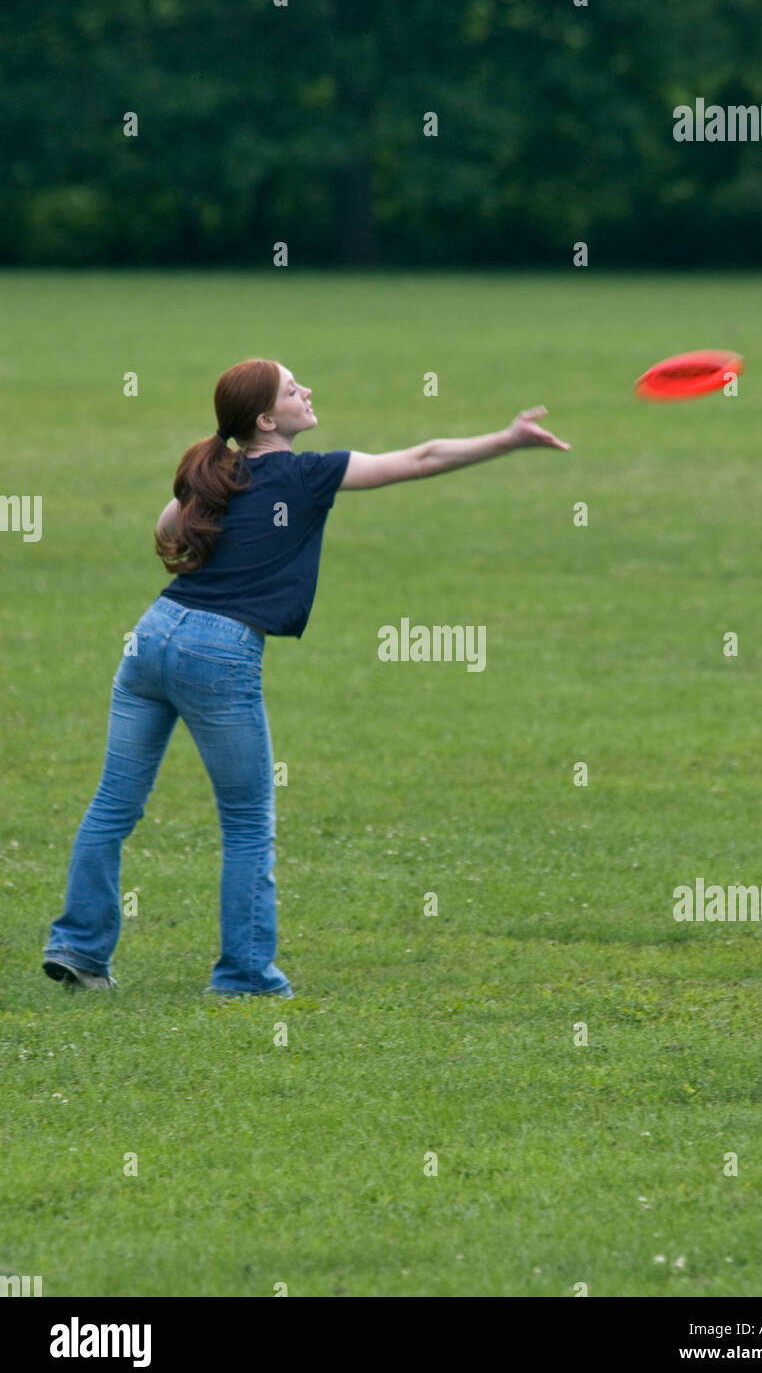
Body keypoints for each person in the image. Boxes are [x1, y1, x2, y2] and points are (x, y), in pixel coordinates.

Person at [42, 357, 569, 999]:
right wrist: (507, 440)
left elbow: (165, 529)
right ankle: (244, 978)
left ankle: (78, 950)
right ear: (267, 418)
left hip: (152, 635)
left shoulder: (217, 469)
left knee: (113, 805)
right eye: (294, 390)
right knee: (244, 821)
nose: (308, 391)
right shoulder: (307, 474)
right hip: (220, 650)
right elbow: (424, 457)